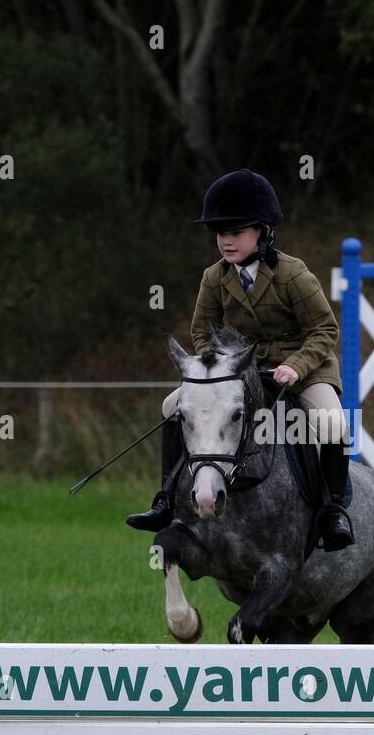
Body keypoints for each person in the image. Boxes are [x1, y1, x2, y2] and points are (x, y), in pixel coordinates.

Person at [127, 168, 354, 550]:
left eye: (235, 233)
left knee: (333, 424)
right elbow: (202, 332)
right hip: (239, 370)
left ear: (263, 231)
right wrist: (221, 366)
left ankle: (333, 511)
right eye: (220, 234)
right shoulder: (214, 278)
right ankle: (166, 499)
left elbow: (324, 331)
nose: (226, 242)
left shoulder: (293, 274)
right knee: (171, 407)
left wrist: (294, 367)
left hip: (302, 367)